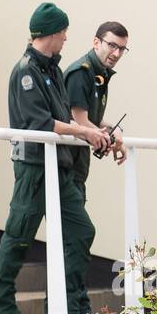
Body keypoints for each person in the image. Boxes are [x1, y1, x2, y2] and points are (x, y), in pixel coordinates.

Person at [0, 2, 112, 314]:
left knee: (82, 232)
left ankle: (69, 306)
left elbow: (65, 117)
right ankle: (2, 309)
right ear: (50, 34)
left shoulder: (52, 69)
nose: (66, 39)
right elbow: (41, 123)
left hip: (59, 166)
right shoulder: (26, 71)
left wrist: (96, 131)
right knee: (18, 236)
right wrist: (85, 133)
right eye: (63, 33)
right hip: (33, 167)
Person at [64, 20, 129, 201]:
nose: (116, 53)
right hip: (65, 165)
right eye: (112, 45)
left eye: (122, 49)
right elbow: (80, 121)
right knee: (81, 230)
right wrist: (110, 139)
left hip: (76, 166)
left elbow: (93, 118)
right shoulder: (82, 72)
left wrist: (115, 130)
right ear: (96, 42)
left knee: (73, 229)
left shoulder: (100, 72)